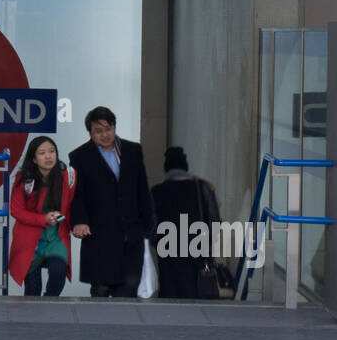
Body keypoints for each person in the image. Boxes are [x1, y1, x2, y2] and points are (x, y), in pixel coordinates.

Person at [66, 106, 155, 297]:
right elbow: (77, 194)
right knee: (100, 289)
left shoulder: (132, 151)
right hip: (99, 235)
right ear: (90, 133)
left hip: (130, 233)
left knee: (129, 289)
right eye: (99, 131)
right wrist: (79, 221)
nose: (105, 135)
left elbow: (142, 190)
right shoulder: (80, 157)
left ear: (114, 127)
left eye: (108, 129)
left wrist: (149, 226)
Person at [151, 146, 224, 299]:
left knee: (171, 294)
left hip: (168, 254)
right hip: (198, 251)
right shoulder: (201, 187)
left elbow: (151, 226)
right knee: (198, 295)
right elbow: (215, 220)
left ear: (166, 168)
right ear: (185, 167)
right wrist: (207, 242)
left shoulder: (157, 192)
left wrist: (160, 243)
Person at [8, 136, 75, 296]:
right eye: (42, 153)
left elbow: (73, 205)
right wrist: (43, 219)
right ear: (34, 159)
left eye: (52, 151)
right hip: (30, 238)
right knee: (32, 287)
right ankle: (33, 318)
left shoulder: (68, 176)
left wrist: (74, 222)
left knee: (58, 273)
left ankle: (49, 305)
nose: (48, 156)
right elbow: (16, 211)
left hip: (56, 236)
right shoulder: (24, 178)